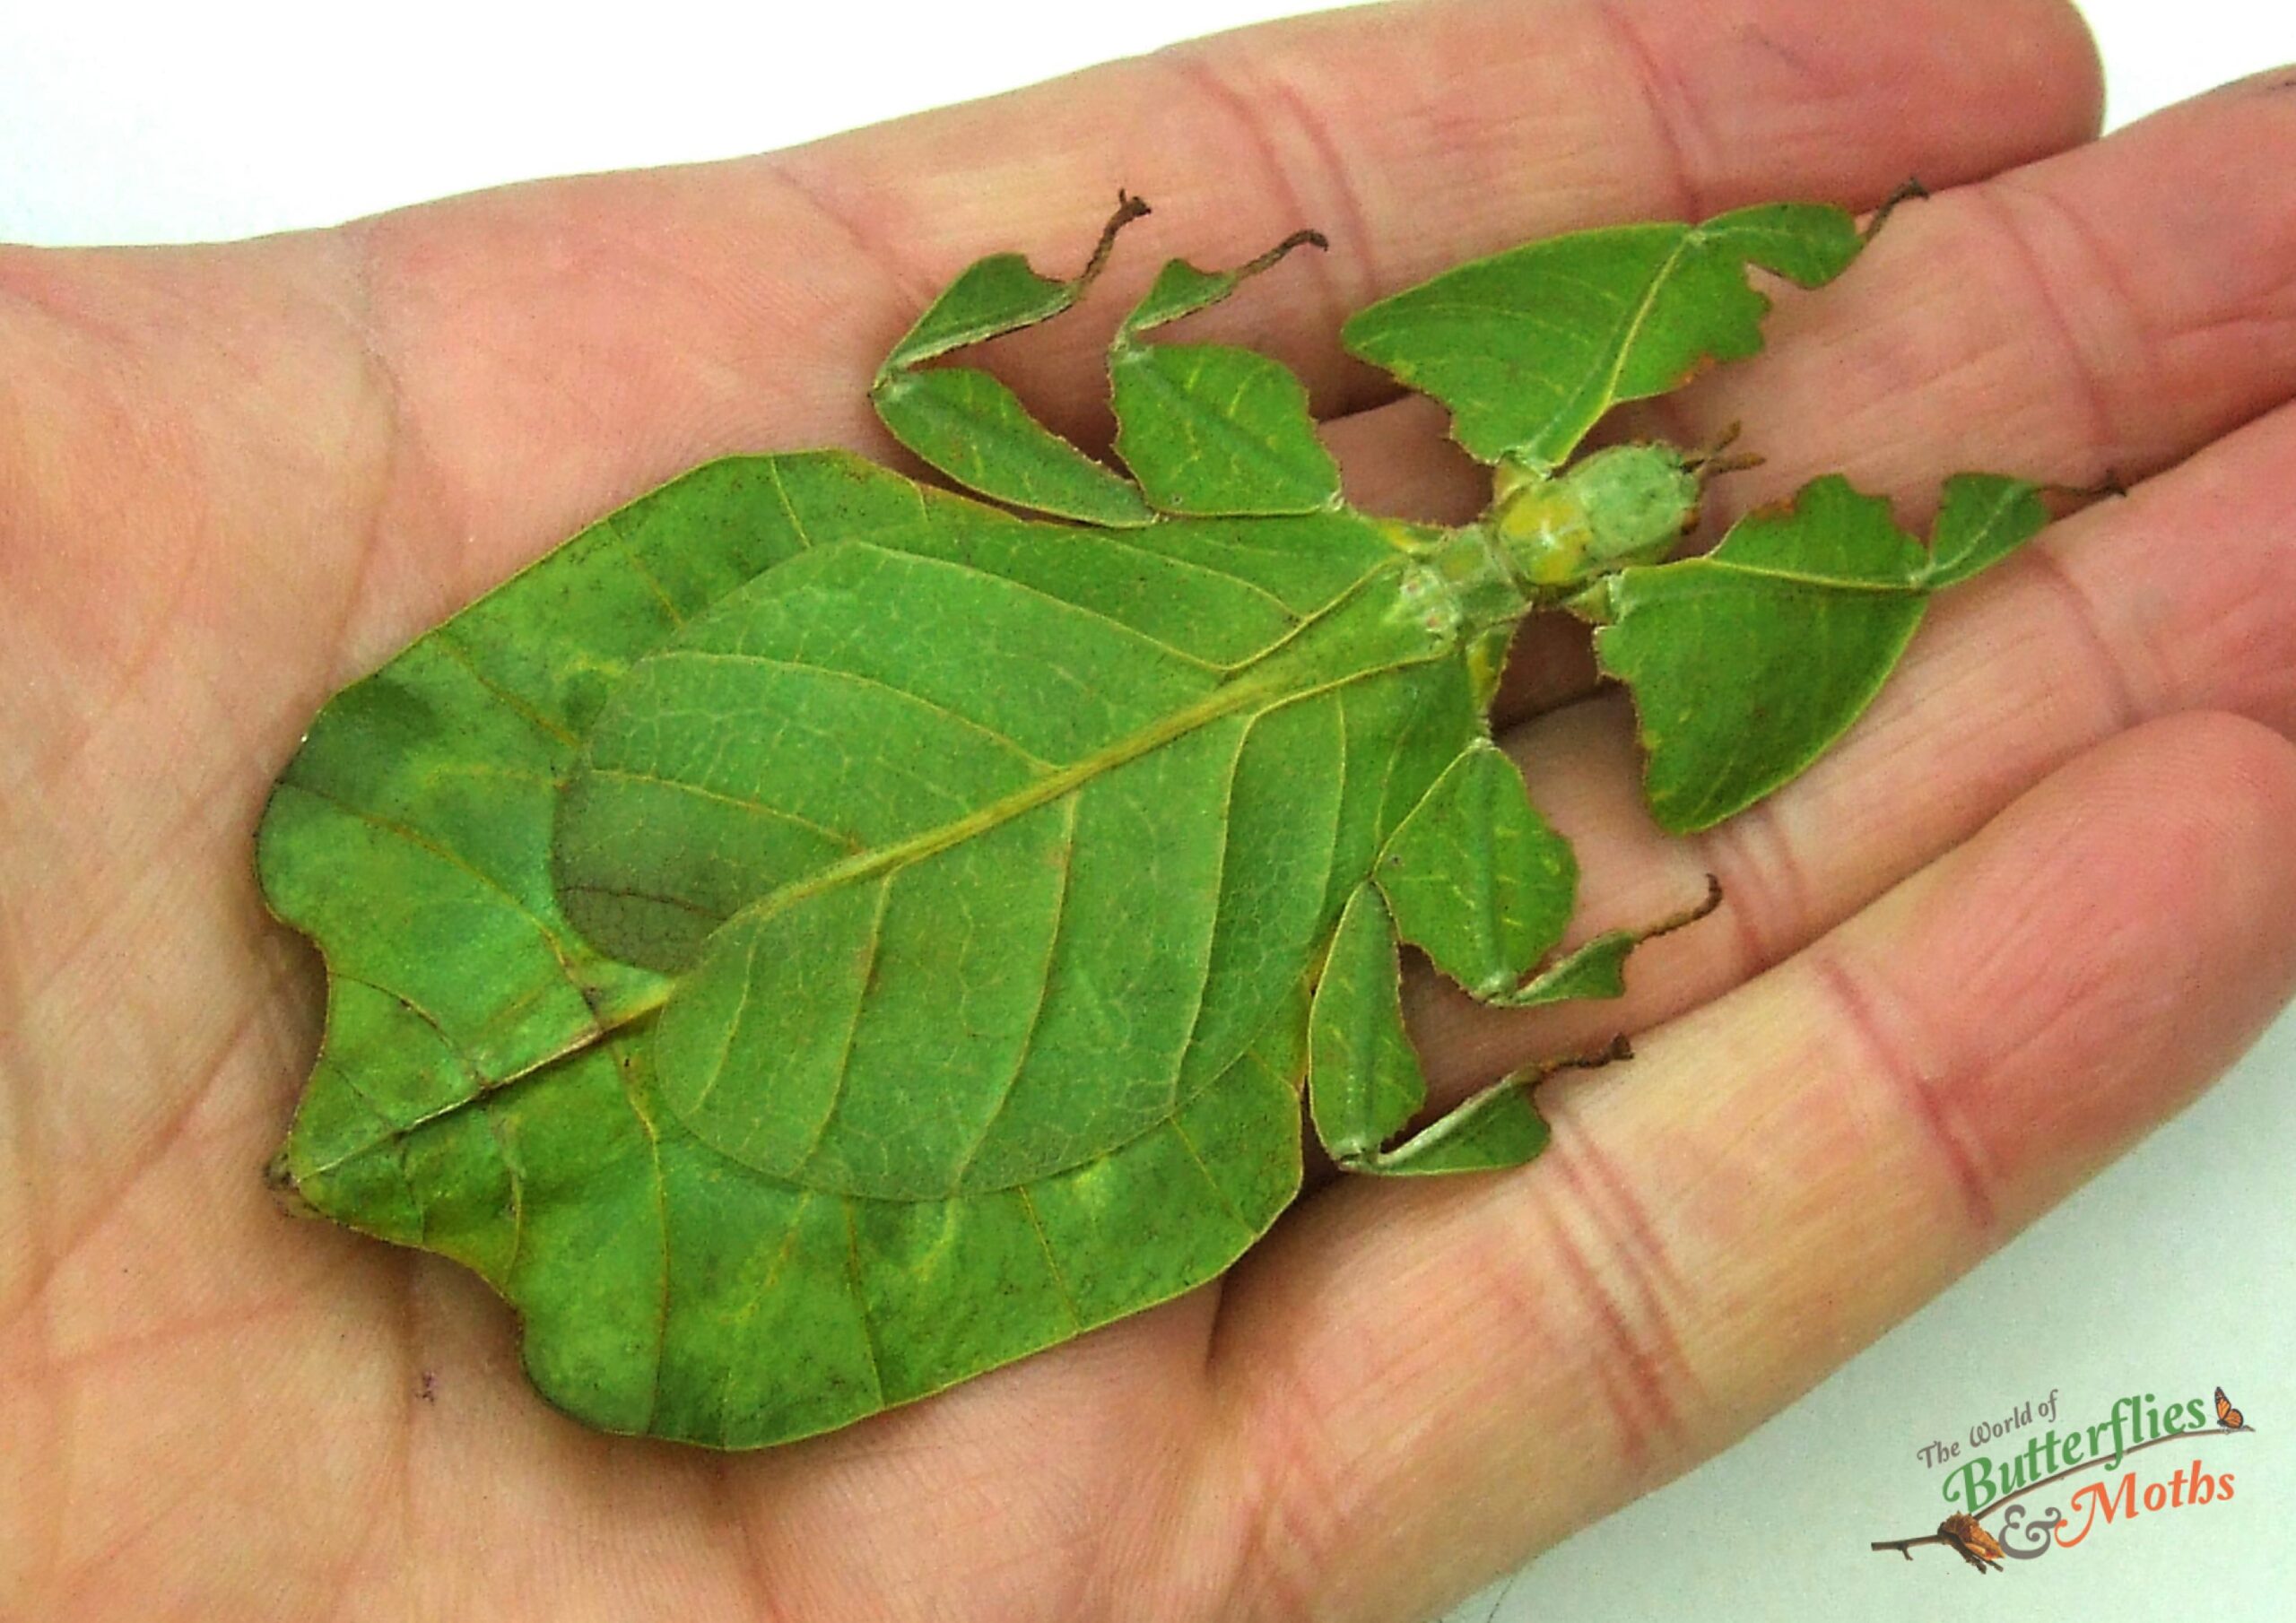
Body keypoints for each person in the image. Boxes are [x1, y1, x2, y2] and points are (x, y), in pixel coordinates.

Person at [4, 0, 2293, 1616]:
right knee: (1376, 1093)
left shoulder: (1229, 477)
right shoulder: (1448, 812)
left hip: (494, 893)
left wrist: (1137, 290)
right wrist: (1584, 982)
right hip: (478, 920)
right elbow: (1457, 995)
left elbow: (941, 385)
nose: (1583, 518)